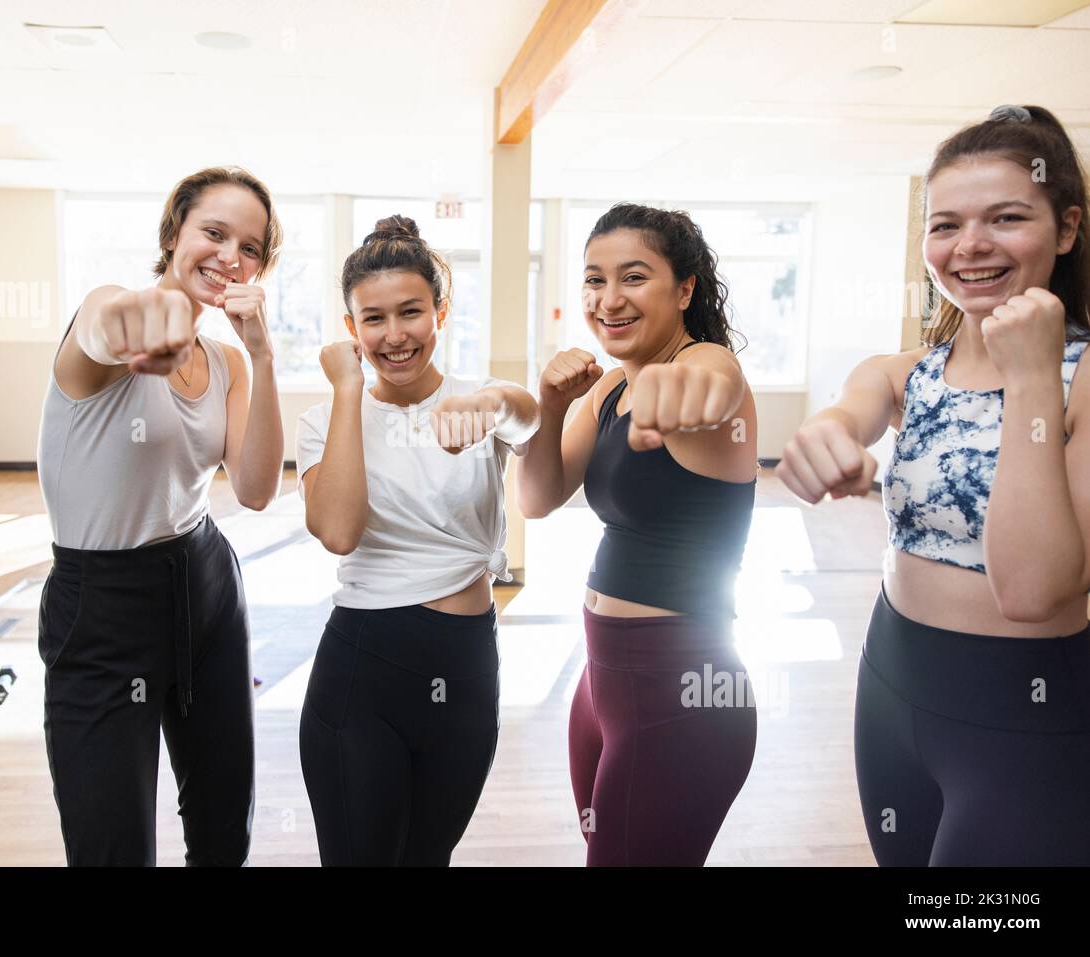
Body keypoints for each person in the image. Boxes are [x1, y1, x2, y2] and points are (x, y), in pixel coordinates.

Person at [778, 105, 1090, 865]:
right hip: (892, 686)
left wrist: (1030, 381)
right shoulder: (902, 371)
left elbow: (1035, 588)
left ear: (1068, 227)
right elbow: (846, 414)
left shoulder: (1080, 380)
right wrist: (826, 440)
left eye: (1006, 217)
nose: (970, 246)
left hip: (1026, 711)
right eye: (944, 224)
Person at [36, 166, 285, 865]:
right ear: (174, 232)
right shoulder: (115, 314)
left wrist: (264, 355)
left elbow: (260, 487)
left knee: (221, 823)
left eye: (251, 246)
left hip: (205, 585)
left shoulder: (229, 362)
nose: (230, 254)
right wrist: (145, 321)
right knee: (110, 845)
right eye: (213, 232)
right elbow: (107, 324)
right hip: (101, 605)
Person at [519, 203, 759, 866]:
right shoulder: (608, 392)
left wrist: (683, 393)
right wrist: (550, 405)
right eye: (594, 280)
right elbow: (536, 499)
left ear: (685, 289)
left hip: (682, 692)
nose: (608, 298)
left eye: (633, 277)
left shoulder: (702, 363)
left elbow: (714, 380)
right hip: (601, 684)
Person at [296, 215, 539, 866]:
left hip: (465, 668)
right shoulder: (326, 420)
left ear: (441, 311)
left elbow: (530, 416)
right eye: (373, 318)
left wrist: (496, 402)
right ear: (352, 328)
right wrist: (349, 390)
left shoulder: (477, 400)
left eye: (411, 312)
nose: (395, 334)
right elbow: (339, 530)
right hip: (363, 671)